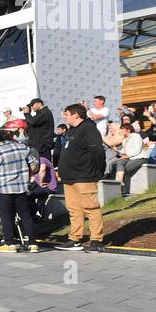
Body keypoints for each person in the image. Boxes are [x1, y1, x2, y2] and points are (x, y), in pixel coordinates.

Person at [54, 103, 107, 252]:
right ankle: (75, 239)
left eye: (67, 114)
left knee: (91, 208)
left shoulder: (88, 128)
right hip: (69, 178)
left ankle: (96, 240)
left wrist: (99, 170)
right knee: (74, 209)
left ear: (76, 115)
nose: (65, 117)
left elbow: (97, 152)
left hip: (84, 176)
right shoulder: (71, 131)